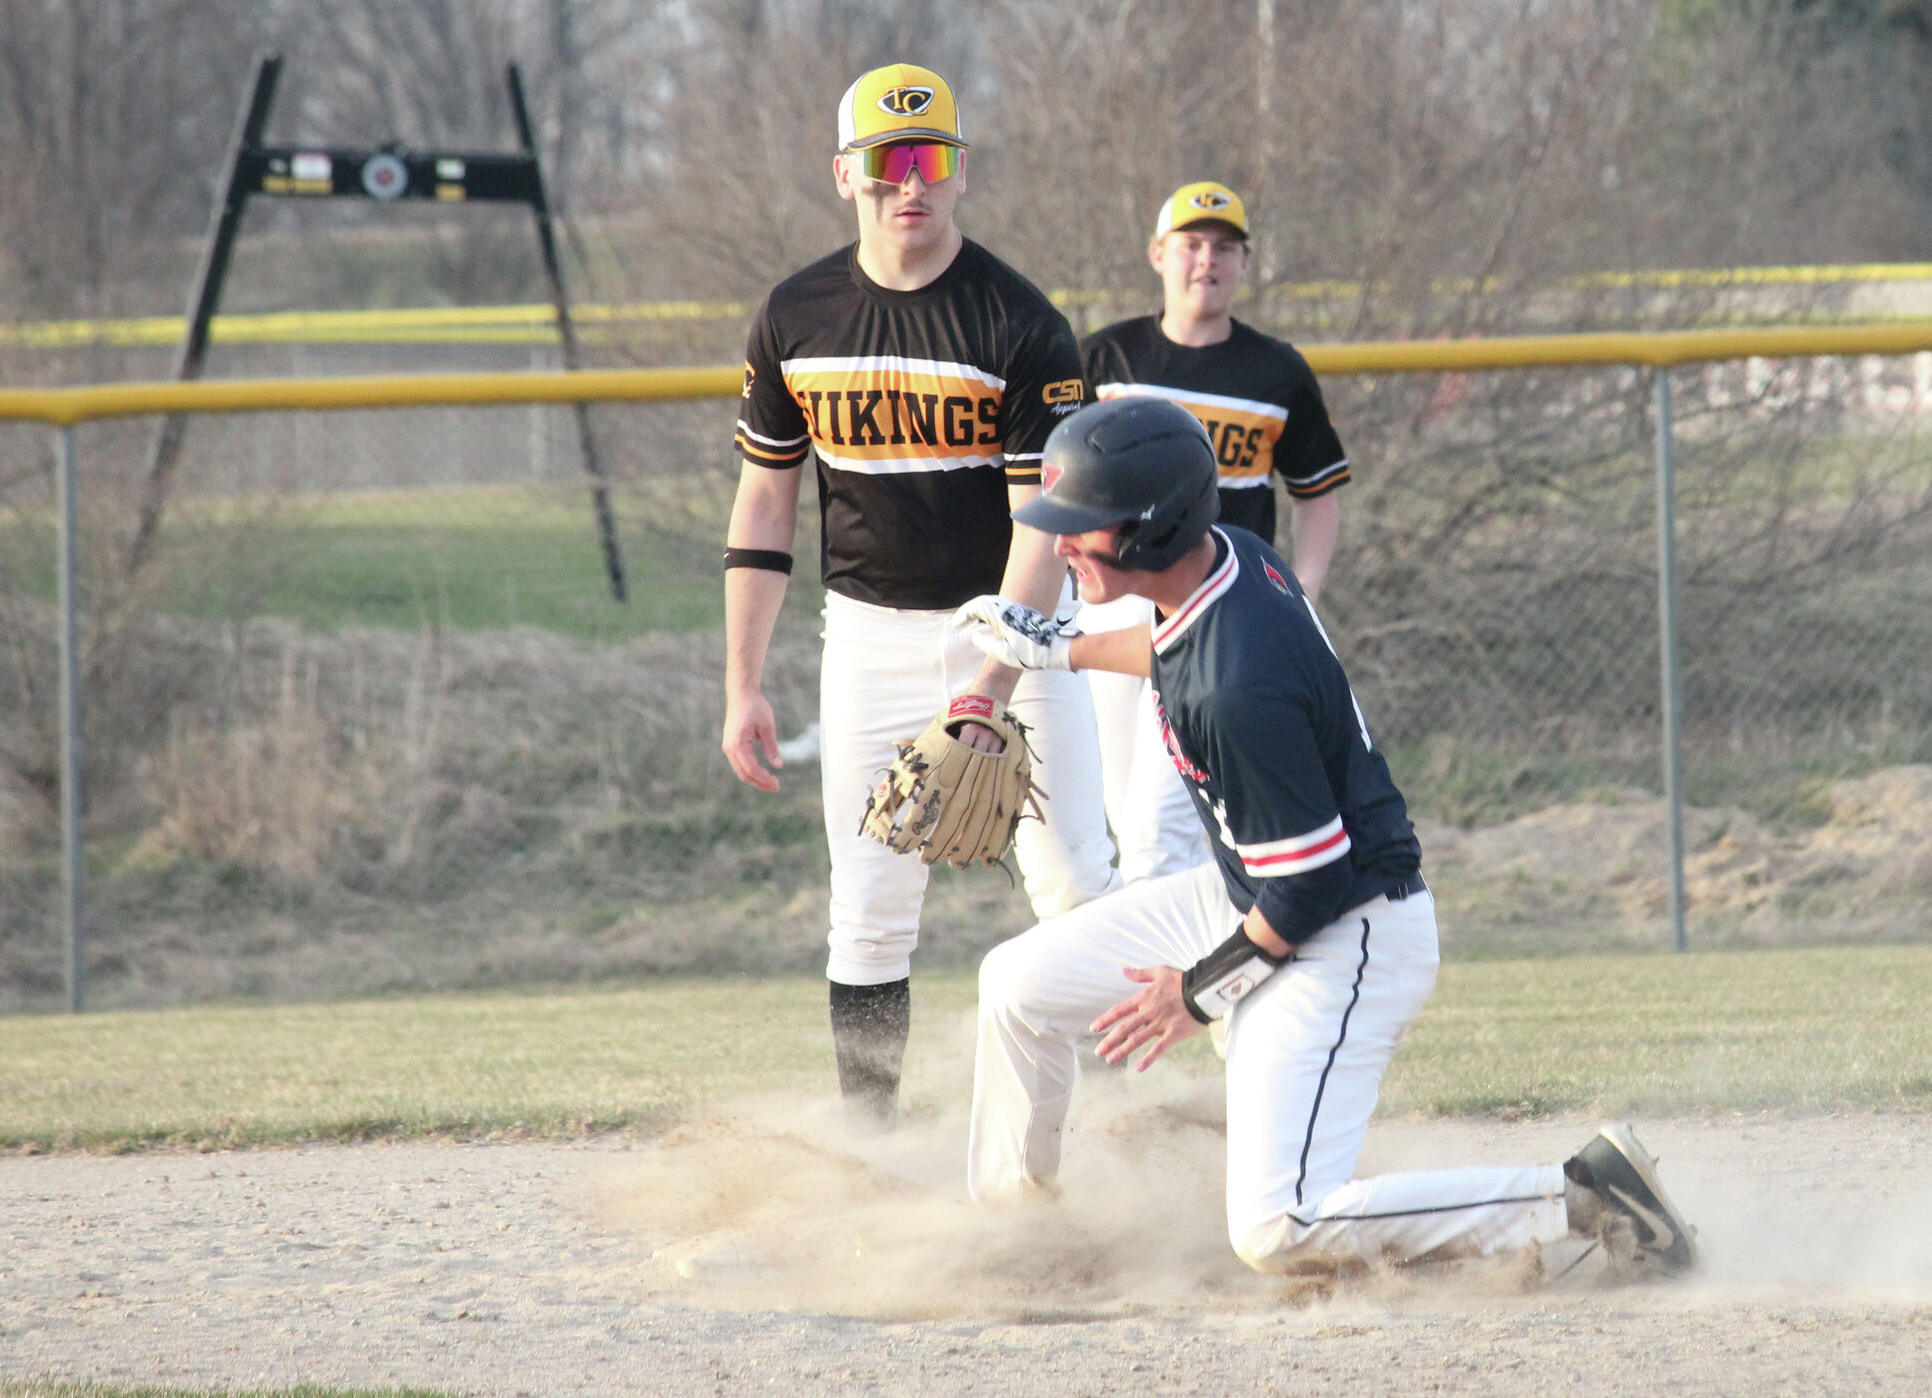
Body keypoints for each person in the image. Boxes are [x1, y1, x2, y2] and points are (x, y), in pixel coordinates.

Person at [950, 396, 1697, 1278]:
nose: (1059, 543)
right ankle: (1019, 1233)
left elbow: (1310, 884)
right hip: (1257, 892)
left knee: (1278, 1227)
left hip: (1347, 932)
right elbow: (1173, 649)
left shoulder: (1239, 690)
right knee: (1016, 985)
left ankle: (1586, 1201)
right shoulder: (1231, 557)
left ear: (1152, 529)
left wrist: (1195, 997)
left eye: (1081, 523)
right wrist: (1054, 649)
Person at [720, 63, 1119, 1132]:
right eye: (888, 160)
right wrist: (743, 685)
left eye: (931, 157)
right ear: (844, 174)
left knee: (1075, 886)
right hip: (865, 636)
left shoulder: (1019, 322)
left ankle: (1126, 1131)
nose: (911, 181)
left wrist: (988, 686)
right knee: (868, 909)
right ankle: (872, 1150)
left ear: (960, 171)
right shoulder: (796, 315)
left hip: (1014, 632)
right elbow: (764, 502)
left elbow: (1043, 527)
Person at [1077, 181, 1349, 887]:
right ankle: (1212, 932)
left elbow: (1317, 493)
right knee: (1126, 811)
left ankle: (1189, 949)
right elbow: (1061, 483)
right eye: (1192, 244)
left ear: (1245, 263)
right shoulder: (1105, 359)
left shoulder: (1275, 371)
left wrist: (1305, 587)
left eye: (1225, 248)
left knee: (1158, 827)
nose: (1208, 260)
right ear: (1157, 254)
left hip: (1215, 612)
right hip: (1113, 601)